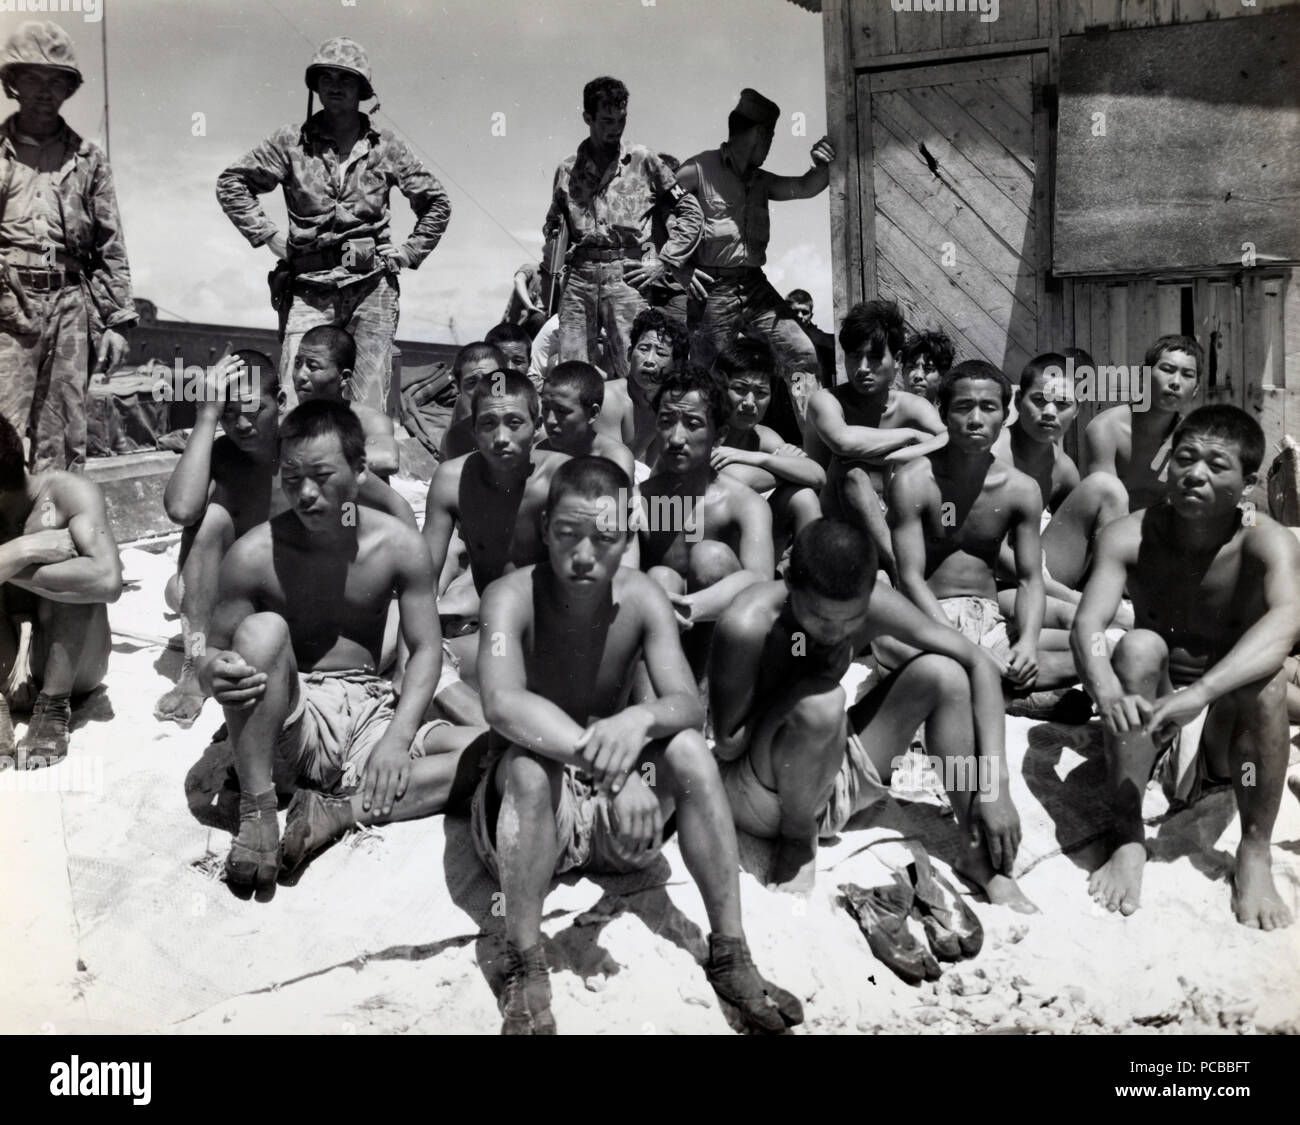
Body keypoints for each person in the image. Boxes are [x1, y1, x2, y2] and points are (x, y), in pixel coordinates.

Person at [474, 455, 803, 1034]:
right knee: (527, 768)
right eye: (568, 534)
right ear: (546, 525)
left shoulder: (643, 596)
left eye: (604, 538)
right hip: (533, 821)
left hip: (622, 827)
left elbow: (686, 704)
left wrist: (639, 720)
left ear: (627, 535)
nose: (583, 555)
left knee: (688, 751)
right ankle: (524, 962)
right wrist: (610, 771)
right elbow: (502, 703)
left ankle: (730, 949)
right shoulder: (510, 595)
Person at [195, 400, 478, 889]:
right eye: (290, 478)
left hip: (372, 711)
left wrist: (398, 737)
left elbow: (427, 648)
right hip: (293, 716)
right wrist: (212, 672)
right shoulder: (255, 553)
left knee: (493, 751)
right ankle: (258, 810)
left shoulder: (396, 544)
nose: (305, 494)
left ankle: (337, 812)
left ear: (360, 469)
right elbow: (212, 655)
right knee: (262, 632)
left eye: (322, 476)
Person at [709, 520, 1031, 907]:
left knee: (946, 675)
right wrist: (798, 686)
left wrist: (994, 787)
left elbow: (976, 662)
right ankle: (798, 840)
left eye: (851, 618)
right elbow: (728, 745)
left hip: (829, 773)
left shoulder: (868, 603)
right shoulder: (749, 623)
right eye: (819, 617)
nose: (834, 631)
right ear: (790, 583)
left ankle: (976, 848)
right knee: (823, 701)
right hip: (759, 792)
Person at [1071, 405, 1298, 930]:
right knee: (1137, 647)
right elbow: (1089, 626)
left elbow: (1286, 623)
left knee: (1263, 681)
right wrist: (1104, 687)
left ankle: (1255, 851)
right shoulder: (1129, 535)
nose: (1195, 473)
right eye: (1185, 458)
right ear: (1166, 463)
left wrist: (1203, 692)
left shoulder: (1266, 540)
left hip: (1228, 739)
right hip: (1149, 725)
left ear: (1248, 483)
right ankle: (1128, 835)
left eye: (1217, 466)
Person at [216, 37, 451, 413]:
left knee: (367, 404)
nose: (335, 85)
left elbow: (437, 201)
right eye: (326, 77)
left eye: (346, 77)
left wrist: (408, 252)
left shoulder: (386, 146)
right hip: (309, 289)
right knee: (295, 401)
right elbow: (232, 182)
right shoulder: (291, 143)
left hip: (370, 289)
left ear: (362, 89)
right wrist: (268, 235)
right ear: (316, 85)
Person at [881, 360, 1079, 695]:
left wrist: (1028, 644)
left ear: (1005, 416)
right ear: (944, 415)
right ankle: (1003, 691)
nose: (975, 419)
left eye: (988, 408)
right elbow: (910, 577)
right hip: (928, 621)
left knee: (1097, 652)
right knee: (886, 643)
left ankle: (989, 683)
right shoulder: (914, 481)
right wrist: (961, 645)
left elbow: (1030, 578)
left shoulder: (1021, 489)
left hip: (991, 621)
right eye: (963, 407)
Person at [0, 21, 137, 473]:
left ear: (69, 89)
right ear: (12, 84)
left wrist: (116, 321)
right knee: (0, 427)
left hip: (69, 305)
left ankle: (55, 536)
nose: (44, 91)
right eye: (32, 78)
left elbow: (109, 244)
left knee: (61, 438)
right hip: (6, 304)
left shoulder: (89, 160)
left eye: (56, 80)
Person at [676, 90, 834, 423]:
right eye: (771, 137)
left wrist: (823, 165)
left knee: (802, 353)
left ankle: (814, 444)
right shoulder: (698, 169)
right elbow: (659, 208)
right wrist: (681, 269)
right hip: (712, 289)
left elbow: (805, 187)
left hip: (754, 285)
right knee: (707, 375)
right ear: (760, 135)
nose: (771, 145)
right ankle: (708, 450)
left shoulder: (760, 180)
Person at [154, 351, 285, 729]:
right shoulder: (223, 454)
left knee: (176, 589)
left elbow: (367, 507)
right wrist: (206, 416)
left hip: (292, 588)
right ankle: (195, 666)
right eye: (229, 413)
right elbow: (181, 509)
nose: (241, 423)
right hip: (236, 594)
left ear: (282, 402)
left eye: (253, 409)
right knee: (207, 519)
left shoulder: (304, 446)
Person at [544, 77, 702, 381]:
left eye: (621, 119)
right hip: (578, 280)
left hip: (626, 277)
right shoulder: (567, 170)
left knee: (636, 372)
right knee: (573, 373)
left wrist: (665, 261)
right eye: (606, 120)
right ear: (587, 118)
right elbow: (554, 226)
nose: (615, 128)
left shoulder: (644, 160)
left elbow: (690, 211)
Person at [0, 412, 122, 769]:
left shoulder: (67, 494)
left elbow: (107, 581)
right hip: (5, 656)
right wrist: (23, 551)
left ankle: (53, 708)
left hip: (71, 667)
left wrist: (8, 568)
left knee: (76, 579)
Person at [1041, 337, 1202, 589]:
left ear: (1196, 389)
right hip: (1097, 549)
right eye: (1167, 370)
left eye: (1187, 374)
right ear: (1143, 376)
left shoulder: (1193, 439)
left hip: (1156, 548)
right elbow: (1107, 511)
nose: (1175, 382)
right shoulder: (1107, 428)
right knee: (1107, 487)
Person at [804, 299, 945, 583]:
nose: (862, 368)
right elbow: (843, 442)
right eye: (854, 357)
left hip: (898, 520)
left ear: (898, 359)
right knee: (851, 471)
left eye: (874, 357)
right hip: (839, 526)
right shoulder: (827, 401)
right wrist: (910, 436)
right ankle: (901, 571)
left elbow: (951, 439)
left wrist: (892, 457)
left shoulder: (911, 407)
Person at [640, 365, 773, 637]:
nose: (676, 438)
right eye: (666, 421)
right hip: (657, 638)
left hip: (722, 641)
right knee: (660, 577)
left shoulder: (744, 503)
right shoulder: (636, 498)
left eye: (693, 424)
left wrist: (686, 609)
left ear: (720, 435)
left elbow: (761, 579)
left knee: (711, 557)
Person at [710, 336, 823, 559]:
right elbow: (732, 479)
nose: (750, 402)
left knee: (803, 496)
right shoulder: (705, 429)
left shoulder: (765, 438)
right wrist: (786, 469)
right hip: (706, 544)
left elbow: (818, 475)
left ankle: (810, 582)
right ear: (721, 388)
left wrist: (760, 459)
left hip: (753, 543)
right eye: (740, 389)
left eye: (761, 393)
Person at [292, 324, 400, 480]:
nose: (300, 375)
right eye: (297, 364)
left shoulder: (367, 420)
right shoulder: (288, 420)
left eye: (312, 367)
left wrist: (310, 461)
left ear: (344, 377)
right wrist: (247, 376)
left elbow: (387, 459)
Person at [595, 307, 690, 465]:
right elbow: (610, 471)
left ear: (677, 366)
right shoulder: (610, 399)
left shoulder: (662, 407)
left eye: (661, 353)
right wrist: (628, 491)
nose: (649, 360)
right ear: (629, 353)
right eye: (644, 349)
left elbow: (653, 468)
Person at [537, 361, 637, 484]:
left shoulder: (615, 459)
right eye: (546, 408)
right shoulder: (538, 451)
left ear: (593, 413)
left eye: (562, 411)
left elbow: (620, 501)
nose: (550, 420)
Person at [440, 341, 509, 461]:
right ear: (458, 387)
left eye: (492, 380)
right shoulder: (457, 437)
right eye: (472, 383)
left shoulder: (531, 424)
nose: (482, 390)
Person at [785, 288, 836, 391]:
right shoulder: (778, 336)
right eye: (795, 311)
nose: (799, 316)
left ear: (811, 315)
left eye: (804, 312)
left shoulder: (824, 341)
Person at [898, 330, 954, 403]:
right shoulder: (885, 411)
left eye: (928, 368)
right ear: (903, 372)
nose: (918, 376)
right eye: (911, 367)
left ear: (942, 377)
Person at [500, 260, 546, 338]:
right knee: (538, 319)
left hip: (541, 329)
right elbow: (518, 279)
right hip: (516, 326)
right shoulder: (531, 268)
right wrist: (529, 306)